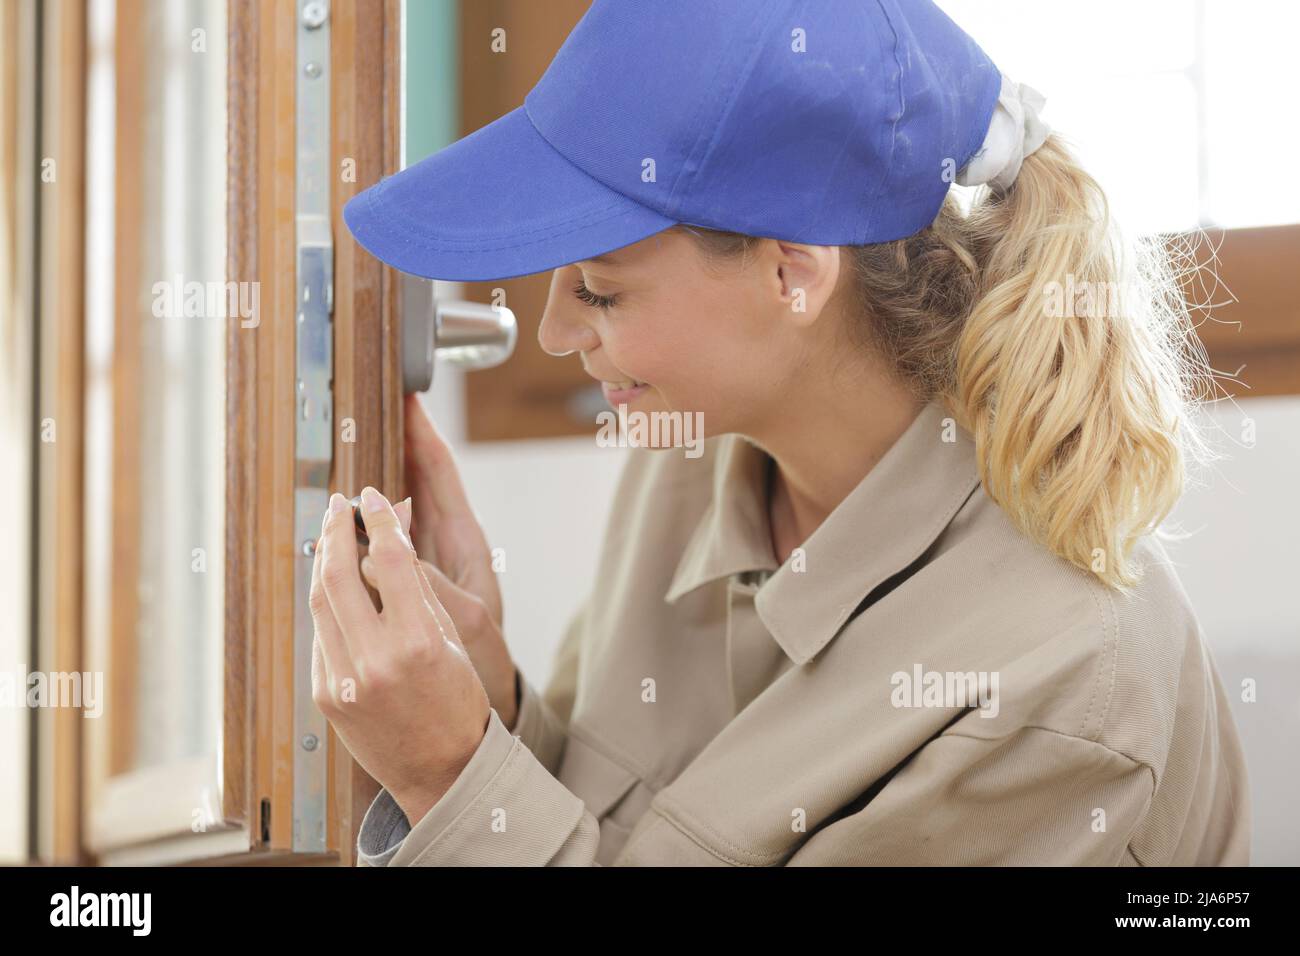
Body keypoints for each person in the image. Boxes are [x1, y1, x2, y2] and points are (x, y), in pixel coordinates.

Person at [308, 0, 1250, 865]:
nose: (555, 333)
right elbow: (628, 834)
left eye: (600, 287)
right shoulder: (690, 455)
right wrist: (493, 713)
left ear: (794, 274)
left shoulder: (1063, 681)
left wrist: (451, 777)